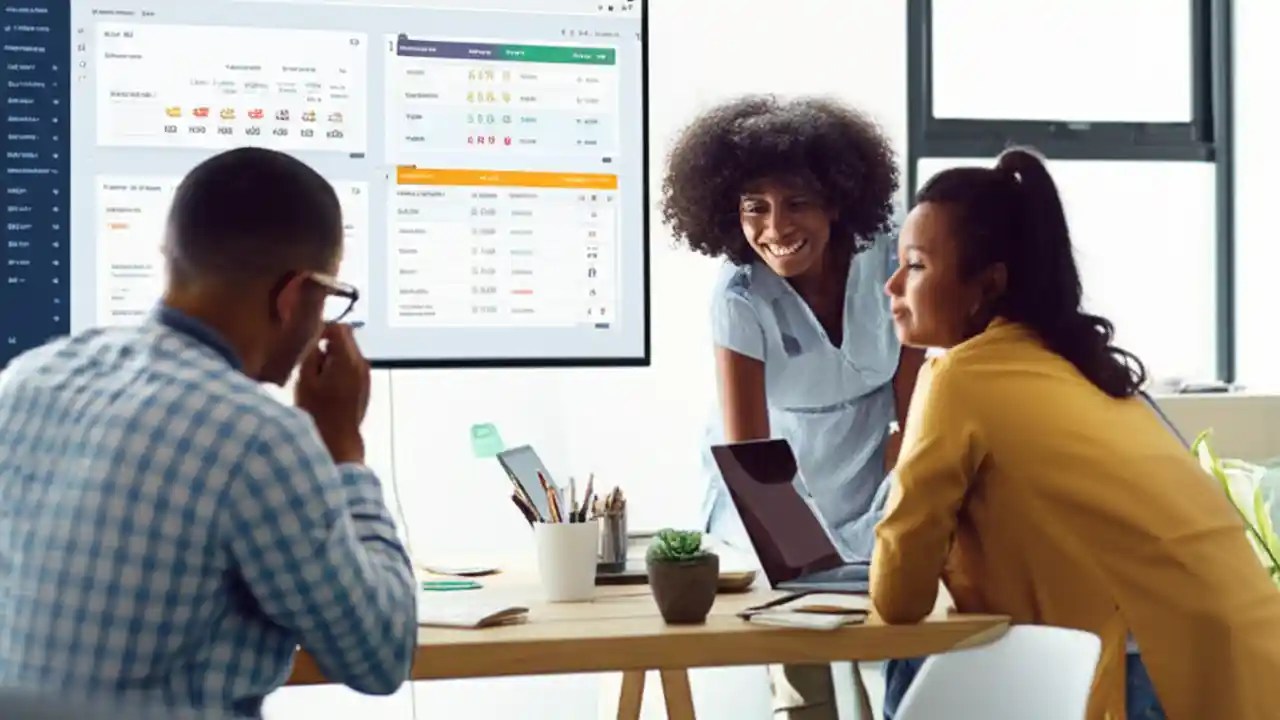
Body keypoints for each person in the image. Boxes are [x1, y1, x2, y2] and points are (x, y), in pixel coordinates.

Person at [0, 148, 417, 718]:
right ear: (293, 296)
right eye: (329, 298)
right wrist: (343, 446)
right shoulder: (258, 438)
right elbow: (380, 656)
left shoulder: (27, 379)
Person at [872, 146, 1280, 719]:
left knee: (917, 670)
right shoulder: (1082, 366)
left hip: (1150, 668)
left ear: (986, 285)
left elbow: (897, 597)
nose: (892, 285)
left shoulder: (959, 376)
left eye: (915, 266)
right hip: (1247, 655)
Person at [661, 95, 926, 719]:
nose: (776, 228)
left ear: (836, 201)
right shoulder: (739, 296)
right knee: (805, 678)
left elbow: (916, 412)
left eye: (797, 203)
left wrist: (904, 488)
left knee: (893, 662)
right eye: (755, 207)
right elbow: (752, 456)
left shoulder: (889, 263)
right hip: (776, 489)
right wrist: (804, 563)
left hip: (874, 477)